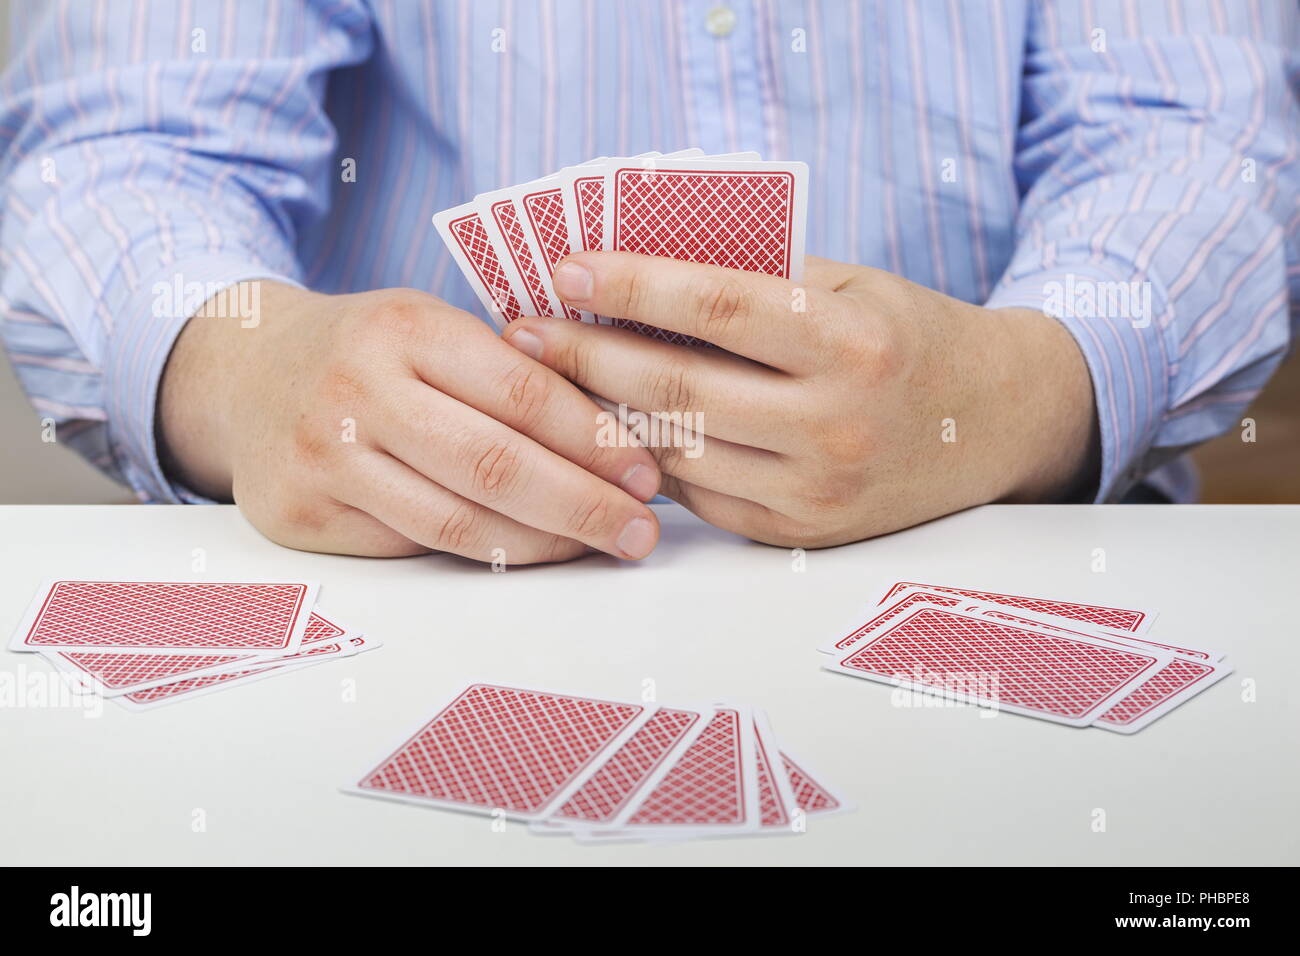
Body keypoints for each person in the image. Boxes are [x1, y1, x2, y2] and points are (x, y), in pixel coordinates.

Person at [1, 1, 1296, 565]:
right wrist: (249, 366)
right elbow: (130, 145)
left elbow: (1194, 130)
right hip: (417, 584)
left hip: (1016, 556)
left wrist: (1030, 387)